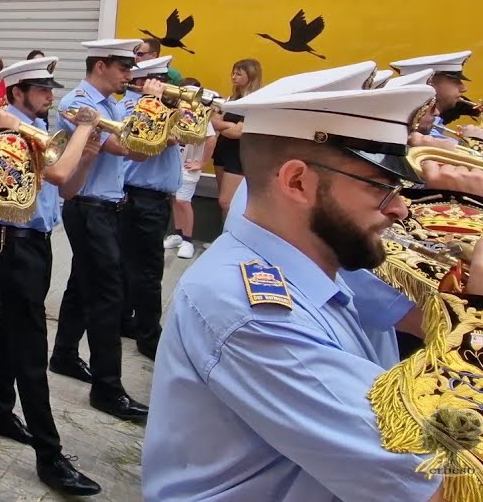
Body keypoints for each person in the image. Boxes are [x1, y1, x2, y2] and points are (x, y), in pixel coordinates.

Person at [141, 81, 448, 501]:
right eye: (379, 188)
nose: (400, 209)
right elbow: (427, 477)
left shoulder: (317, 267)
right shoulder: (254, 312)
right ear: (298, 181)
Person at [0, 56, 104, 495]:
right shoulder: (10, 126)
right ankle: (50, 456)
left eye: (51, 87)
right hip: (13, 243)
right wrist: (88, 128)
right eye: (40, 88)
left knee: (13, 330)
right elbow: (54, 171)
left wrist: (86, 155)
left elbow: (66, 187)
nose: (51, 94)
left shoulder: (41, 127)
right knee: (32, 348)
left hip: (35, 242)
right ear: (16, 93)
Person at [49, 38, 151, 422]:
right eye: (124, 67)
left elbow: (141, 150)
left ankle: (64, 355)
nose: (129, 75)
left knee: (82, 283)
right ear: (101, 66)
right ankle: (108, 389)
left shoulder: (116, 103)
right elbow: (124, 148)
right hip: (88, 206)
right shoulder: (79, 102)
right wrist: (154, 108)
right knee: (109, 294)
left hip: (108, 206)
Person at [118, 56, 183, 360]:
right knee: (147, 270)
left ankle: (129, 320)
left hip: (154, 198)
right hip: (141, 197)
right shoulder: (132, 108)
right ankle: (149, 336)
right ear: (145, 82)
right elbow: (142, 145)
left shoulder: (158, 106)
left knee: (135, 267)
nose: (167, 85)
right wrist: (154, 105)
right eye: (161, 79)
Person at [163, 76, 216, 260]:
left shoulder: (200, 115)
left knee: (184, 201)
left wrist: (201, 163)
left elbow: (211, 139)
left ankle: (188, 240)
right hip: (173, 164)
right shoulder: (174, 110)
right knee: (175, 200)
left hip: (189, 166)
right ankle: (177, 235)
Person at [212, 58, 262, 219]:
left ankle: (230, 235)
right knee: (222, 198)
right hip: (222, 150)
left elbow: (238, 133)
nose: (234, 77)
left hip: (238, 154)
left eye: (238, 74)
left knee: (227, 201)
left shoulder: (254, 102)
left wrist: (223, 125)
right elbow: (212, 121)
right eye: (233, 73)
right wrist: (228, 126)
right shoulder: (231, 99)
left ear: (251, 76)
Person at [390, 51, 471, 140]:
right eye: (456, 81)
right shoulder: (421, 128)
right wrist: (476, 139)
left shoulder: (434, 122)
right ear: (430, 81)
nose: (463, 88)